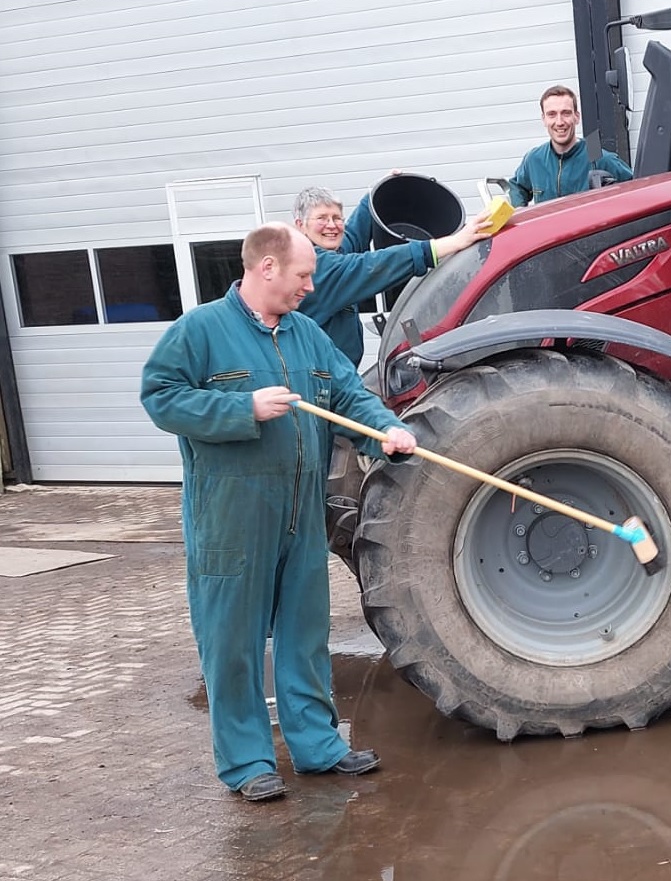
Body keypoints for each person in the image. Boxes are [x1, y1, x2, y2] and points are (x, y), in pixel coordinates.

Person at [140, 224, 419, 803]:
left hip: (300, 509)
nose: (310, 288)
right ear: (267, 268)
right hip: (231, 515)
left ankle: (317, 746)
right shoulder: (201, 331)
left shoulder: (308, 336)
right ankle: (246, 762)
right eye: (303, 276)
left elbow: (346, 395)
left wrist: (385, 430)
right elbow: (161, 397)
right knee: (231, 639)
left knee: (305, 630)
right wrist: (241, 407)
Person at [292, 184, 492, 367]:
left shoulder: (330, 254)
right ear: (300, 225)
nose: (332, 225)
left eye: (337, 218)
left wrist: (381, 190)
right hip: (317, 379)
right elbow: (372, 265)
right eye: (322, 219)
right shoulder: (315, 268)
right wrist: (452, 243)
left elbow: (353, 234)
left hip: (337, 373)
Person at [508, 85, 633, 206]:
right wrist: (518, 209)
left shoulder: (597, 156)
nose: (559, 122)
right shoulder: (534, 159)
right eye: (552, 114)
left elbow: (635, 188)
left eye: (566, 113)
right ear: (544, 119)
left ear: (577, 117)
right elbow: (516, 186)